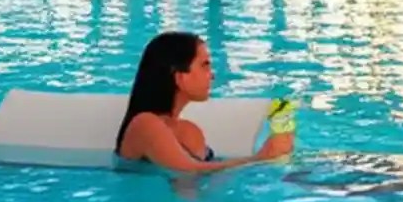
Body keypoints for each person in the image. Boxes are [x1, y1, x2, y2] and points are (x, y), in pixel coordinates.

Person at [115, 31, 293, 173]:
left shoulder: (189, 131)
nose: (212, 74)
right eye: (204, 65)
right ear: (180, 77)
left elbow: (201, 180)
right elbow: (190, 171)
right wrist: (260, 158)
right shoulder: (145, 124)